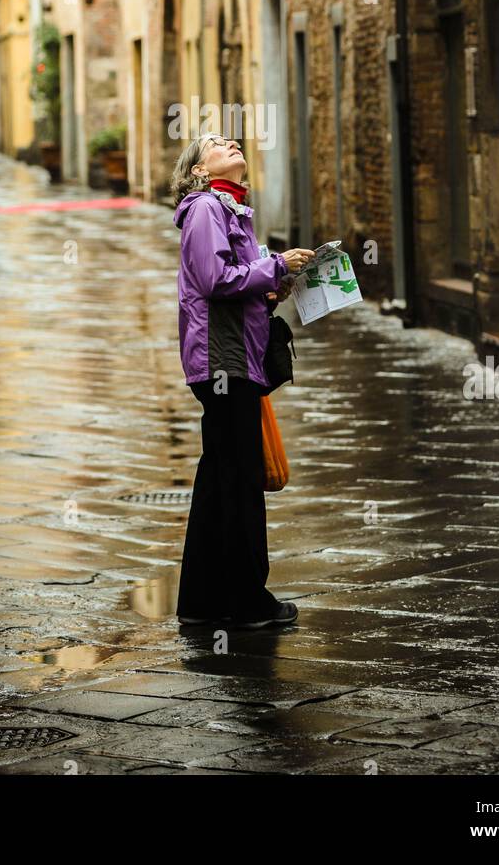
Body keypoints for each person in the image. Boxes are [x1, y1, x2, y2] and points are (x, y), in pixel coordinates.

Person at [170, 132, 315, 630]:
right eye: (214, 143)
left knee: (220, 478)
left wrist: (274, 284)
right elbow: (215, 280)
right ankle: (249, 603)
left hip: (229, 356)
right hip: (222, 358)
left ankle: (202, 601)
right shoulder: (207, 207)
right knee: (241, 479)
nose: (229, 142)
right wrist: (275, 264)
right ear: (199, 172)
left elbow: (235, 278)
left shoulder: (226, 211)